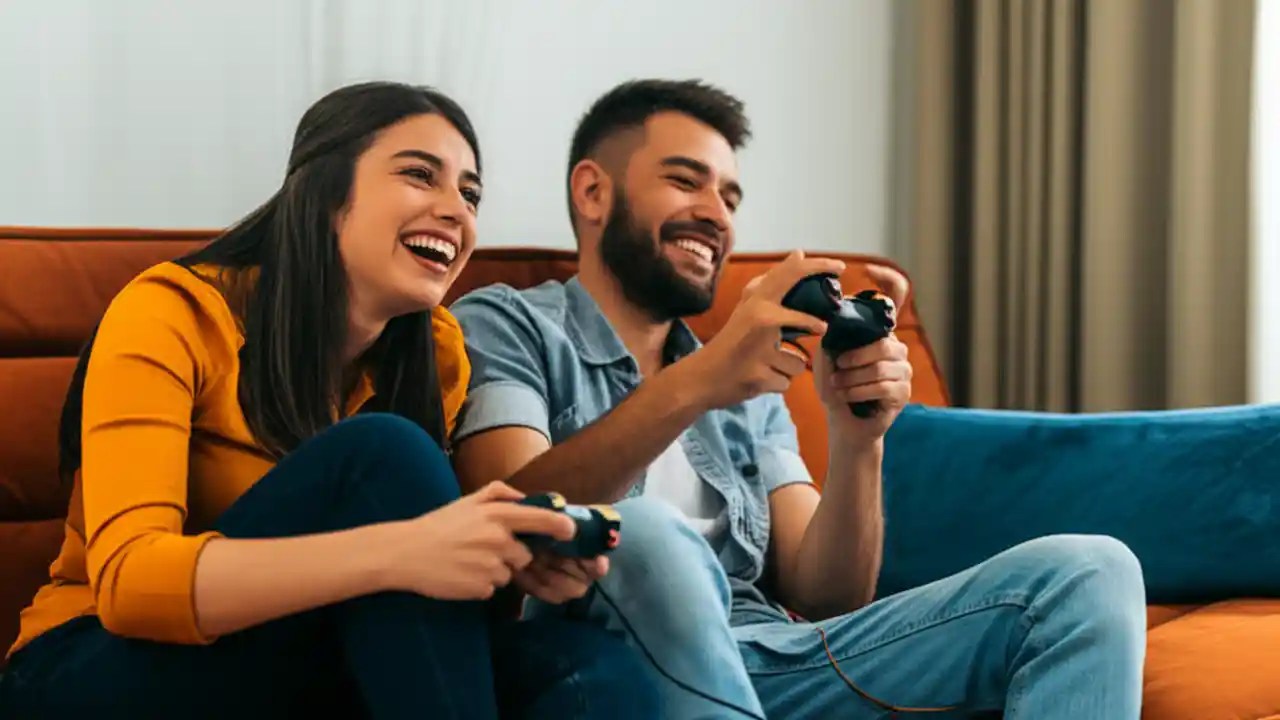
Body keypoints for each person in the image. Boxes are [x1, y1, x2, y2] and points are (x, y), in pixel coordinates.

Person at [448, 78, 1149, 719]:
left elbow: (826, 598)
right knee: (644, 532)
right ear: (593, 192)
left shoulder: (748, 381)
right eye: (685, 181)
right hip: (606, 659)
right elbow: (516, 511)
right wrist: (702, 381)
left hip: (769, 660)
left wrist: (857, 440)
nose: (715, 215)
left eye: (729, 199)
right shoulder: (508, 322)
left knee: (1091, 571)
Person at [0, 81, 656, 720]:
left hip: (301, 651)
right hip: (97, 662)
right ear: (324, 192)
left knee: (591, 670)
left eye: (470, 193)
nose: (457, 211)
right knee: (383, 453)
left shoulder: (437, 356)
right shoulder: (172, 314)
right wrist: (400, 550)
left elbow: (423, 617)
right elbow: (131, 586)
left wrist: (508, 564)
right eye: (420, 175)